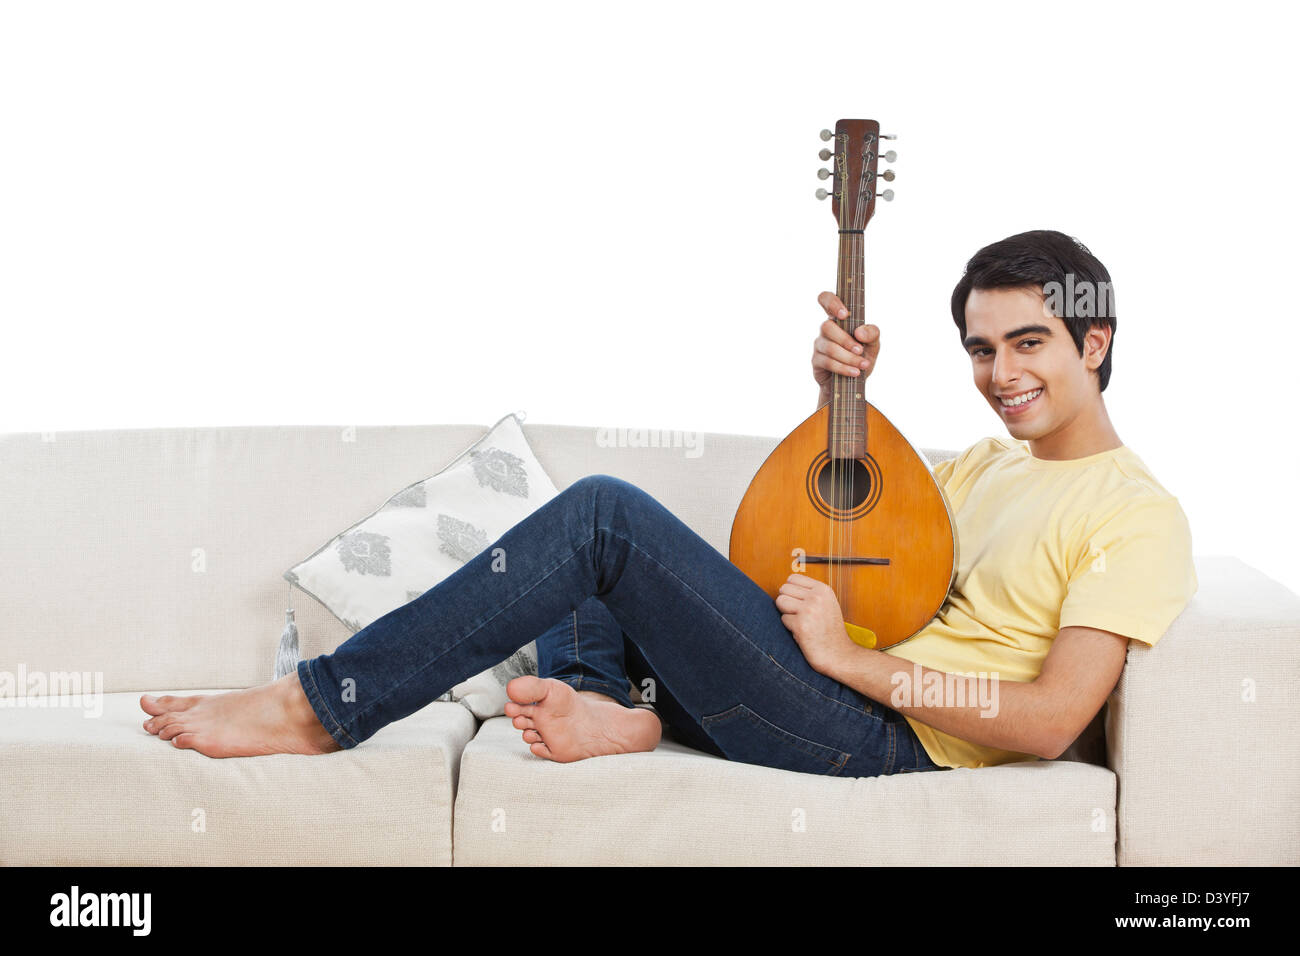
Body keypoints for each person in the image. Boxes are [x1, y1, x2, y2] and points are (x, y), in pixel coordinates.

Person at [140, 229, 1197, 775]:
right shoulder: (986, 464)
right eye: (980, 347)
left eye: (1029, 343)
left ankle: (321, 707)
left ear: (1092, 342)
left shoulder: (1134, 513)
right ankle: (620, 708)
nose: (1001, 371)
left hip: (884, 737)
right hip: (827, 692)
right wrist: (842, 388)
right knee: (584, 548)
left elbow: (1056, 720)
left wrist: (849, 661)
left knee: (604, 517)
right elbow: (852, 532)